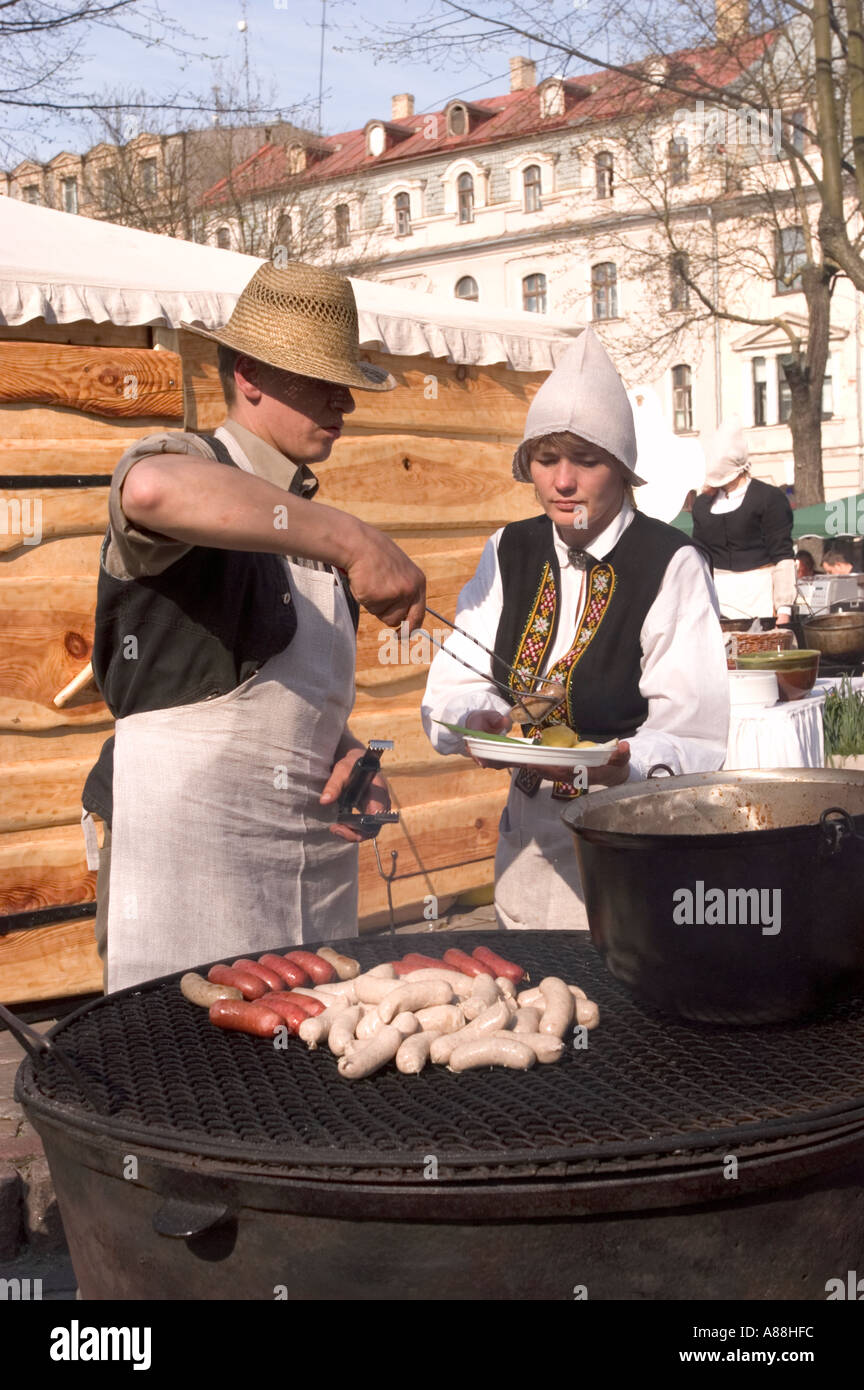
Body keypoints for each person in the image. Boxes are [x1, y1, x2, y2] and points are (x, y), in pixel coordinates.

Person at [82, 261, 425, 992]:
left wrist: (346, 752)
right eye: (321, 381)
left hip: (306, 880)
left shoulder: (307, 517)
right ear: (249, 376)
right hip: (191, 877)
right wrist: (354, 539)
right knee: (180, 1082)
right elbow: (148, 489)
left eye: (346, 384)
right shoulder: (193, 464)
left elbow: (284, 689)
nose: (344, 404)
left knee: (300, 1088)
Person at [420, 329, 729, 932]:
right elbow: (455, 679)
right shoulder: (510, 548)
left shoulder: (669, 561)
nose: (563, 483)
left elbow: (695, 736)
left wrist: (622, 762)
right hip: (526, 848)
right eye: (546, 460)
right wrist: (476, 716)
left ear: (621, 468)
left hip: (627, 846)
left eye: (586, 461)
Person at [691, 420, 796, 627]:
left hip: (760, 596)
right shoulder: (702, 504)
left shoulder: (768, 498)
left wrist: (784, 610)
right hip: (717, 597)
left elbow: (782, 555)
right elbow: (699, 558)